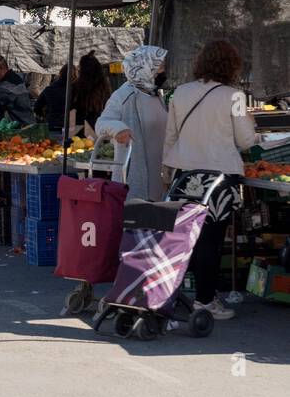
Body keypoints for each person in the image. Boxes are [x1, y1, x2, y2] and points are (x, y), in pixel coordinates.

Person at [163, 40, 257, 321]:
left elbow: (171, 136)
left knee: (184, 240)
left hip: (185, 176)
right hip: (218, 180)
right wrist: (254, 128)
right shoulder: (234, 96)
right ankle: (206, 301)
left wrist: (167, 171)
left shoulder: (180, 92)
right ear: (231, 66)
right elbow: (246, 140)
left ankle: (176, 296)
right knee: (210, 241)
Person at [95, 46, 169, 201]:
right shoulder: (125, 94)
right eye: (160, 67)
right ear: (145, 67)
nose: (164, 71)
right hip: (135, 177)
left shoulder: (156, 94)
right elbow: (101, 123)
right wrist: (119, 129)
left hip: (158, 178)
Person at [68, 52, 111, 141]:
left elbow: (72, 110)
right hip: (101, 125)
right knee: (99, 152)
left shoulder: (76, 86)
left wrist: (71, 133)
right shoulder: (104, 84)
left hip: (82, 128)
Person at [0, 55, 36, 126]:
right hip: (16, 125)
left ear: (0, 68)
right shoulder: (6, 79)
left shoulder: (9, 85)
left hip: (24, 127)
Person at [34, 65, 71, 137]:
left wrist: (44, 116)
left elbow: (37, 107)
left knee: (52, 147)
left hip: (52, 126)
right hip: (72, 127)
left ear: (60, 74)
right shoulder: (77, 91)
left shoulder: (49, 89)